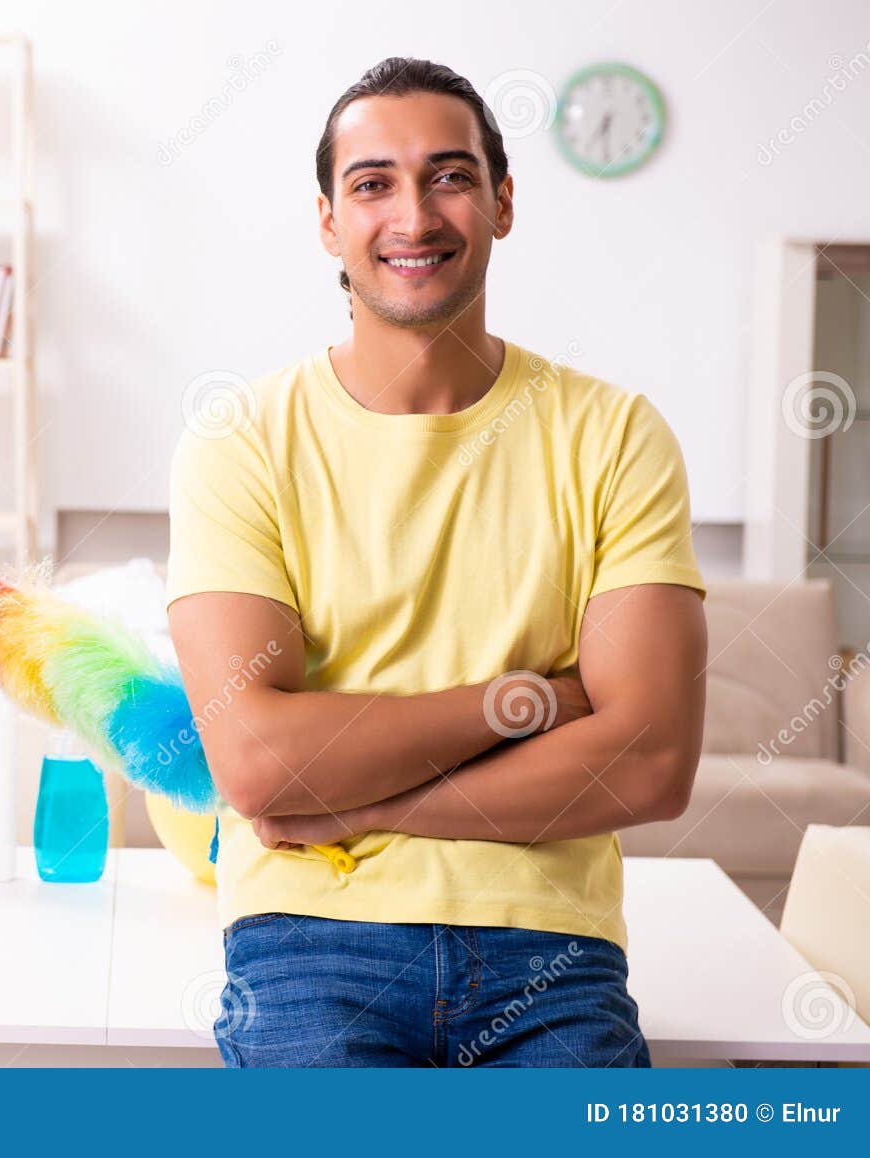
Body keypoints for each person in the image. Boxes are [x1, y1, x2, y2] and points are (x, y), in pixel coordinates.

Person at [165, 56, 708, 1068]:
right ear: (327, 220)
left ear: (503, 204)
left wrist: (369, 806)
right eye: (372, 183)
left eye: (449, 176)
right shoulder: (239, 441)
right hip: (308, 945)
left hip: (551, 950)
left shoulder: (613, 435)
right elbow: (257, 760)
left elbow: (651, 759)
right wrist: (534, 700)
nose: (413, 216)